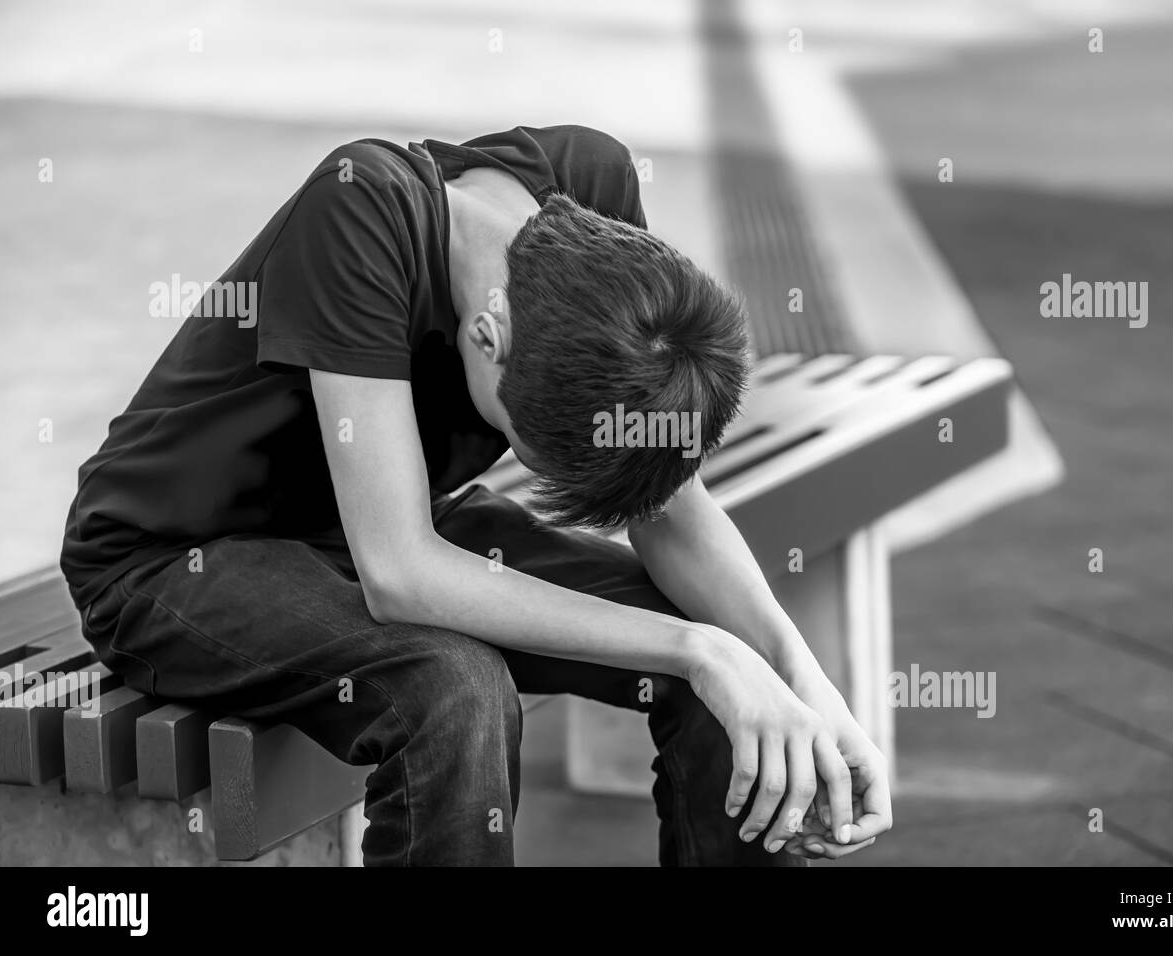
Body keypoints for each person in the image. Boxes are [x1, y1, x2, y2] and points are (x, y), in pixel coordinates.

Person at [61, 124, 891, 866]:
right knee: (456, 690)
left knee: (716, 658)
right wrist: (702, 651)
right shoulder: (359, 211)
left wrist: (794, 675)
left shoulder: (591, 188)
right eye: (538, 455)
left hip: (382, 526)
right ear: (486, 339)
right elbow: (401, 574)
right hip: (175, 560)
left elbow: (669, 509)